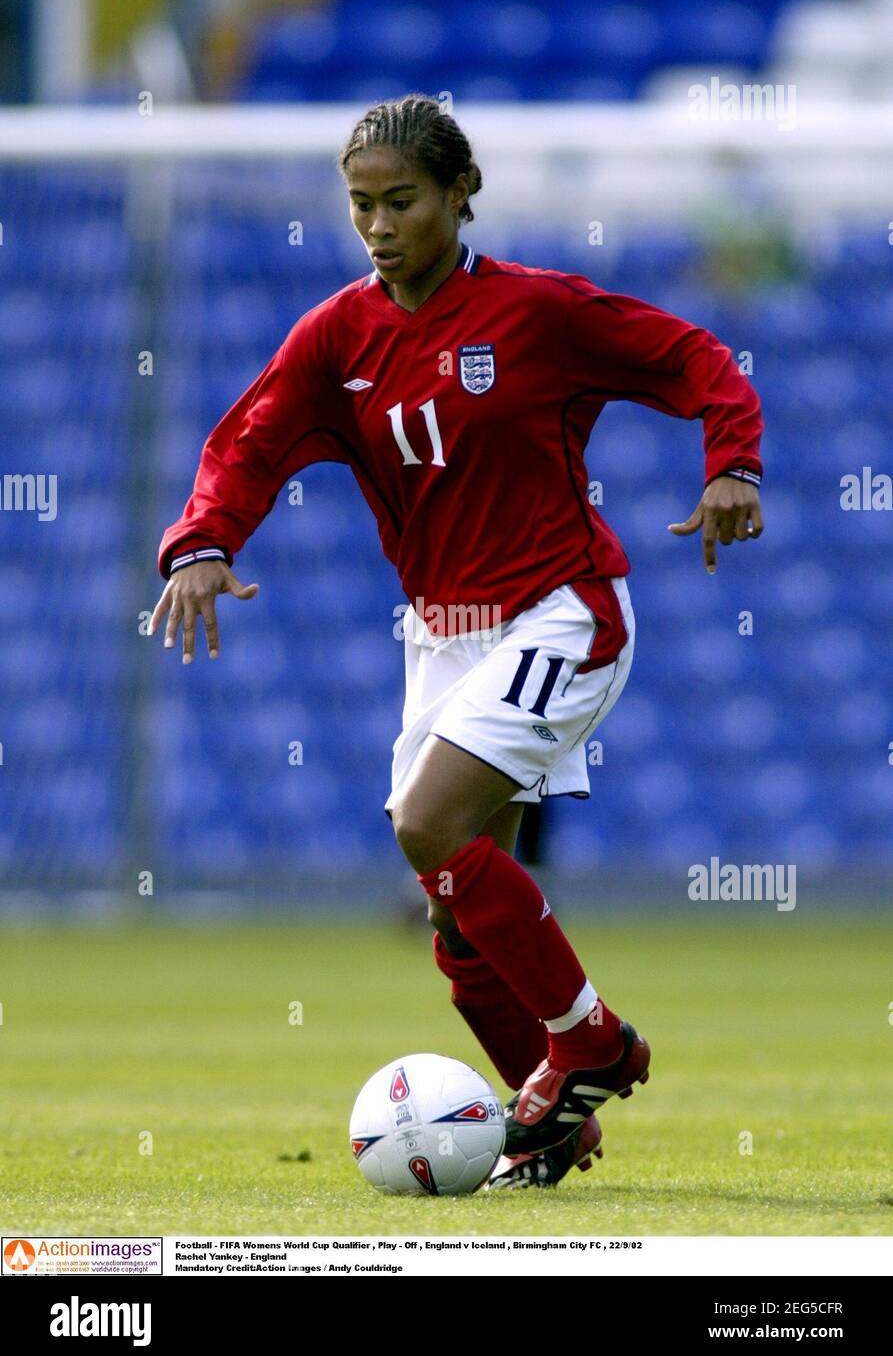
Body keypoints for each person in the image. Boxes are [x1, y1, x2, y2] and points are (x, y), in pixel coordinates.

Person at [150, 93, 764, 1190]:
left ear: (458, 194)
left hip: (562, 612)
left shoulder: (535, 312)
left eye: (401, 201)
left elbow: (688, 354)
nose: (379, 226)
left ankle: (591, 1041)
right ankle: (552, 1120)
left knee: (424, 823)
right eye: (359, 207)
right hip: (441, 640)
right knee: (453, 922)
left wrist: (731, 460)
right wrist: (198, 541)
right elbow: (248, 442)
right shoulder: (336, 336)